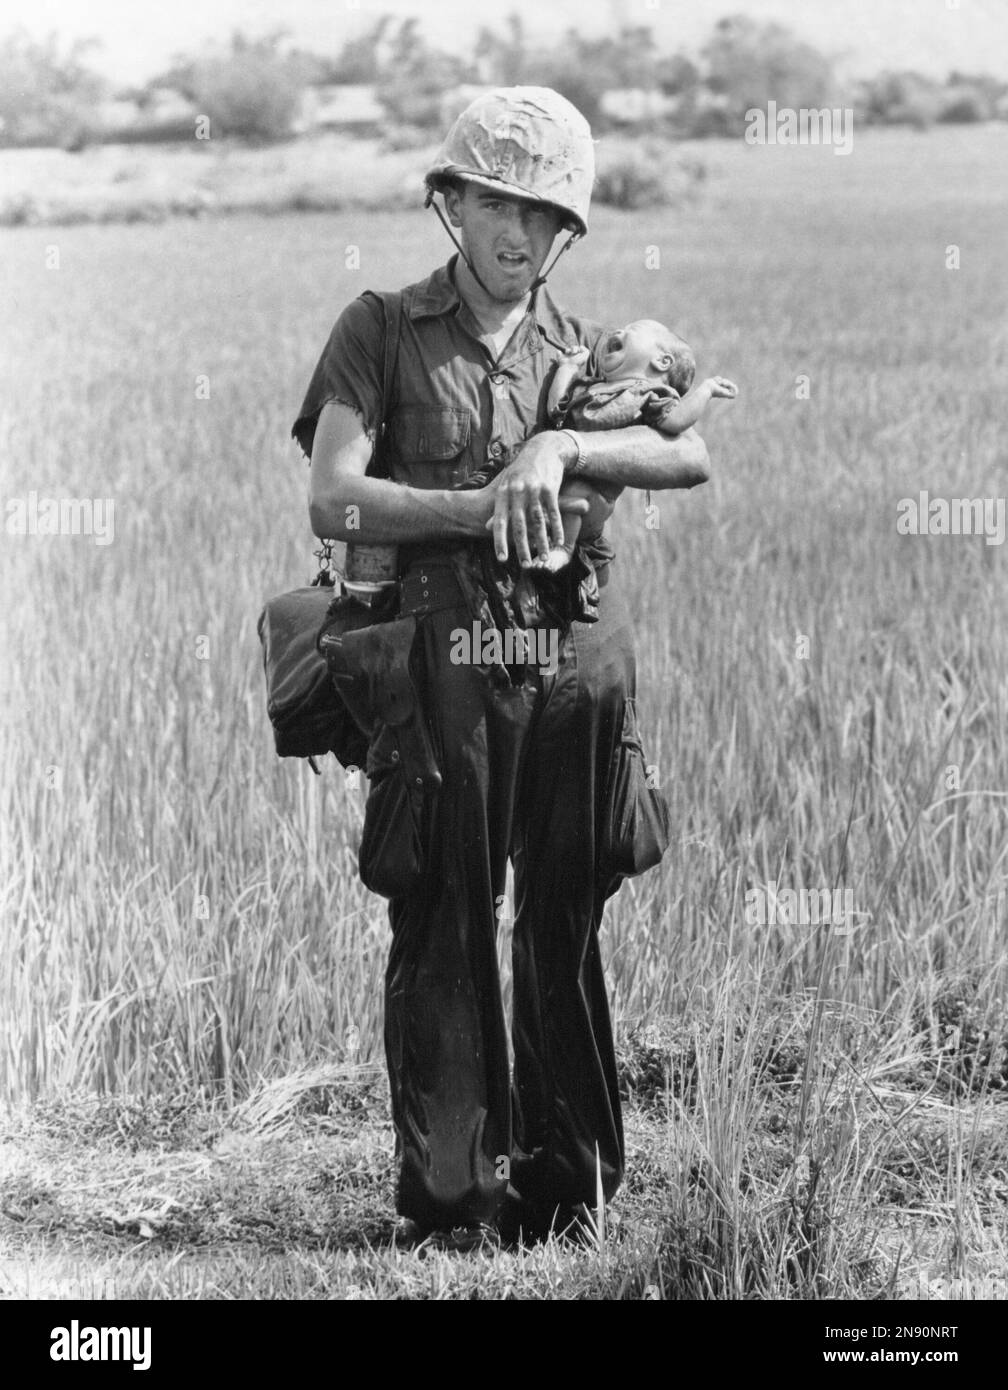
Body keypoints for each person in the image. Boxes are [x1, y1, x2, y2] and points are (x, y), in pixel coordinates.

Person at [292, 87, 712, 1246]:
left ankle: (570, 1188)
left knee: (565, 913)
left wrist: (564, 440)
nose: (515, 233)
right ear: (452, 205)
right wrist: (483, 504)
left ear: (566, 227)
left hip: (573, 658)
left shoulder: (586, 354)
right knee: (444, 914)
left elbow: (692, 447)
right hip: (440, 662)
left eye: (540, 211)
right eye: (491, 202)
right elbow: (333, 494)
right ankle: (451, 1201)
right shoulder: (379, 328)